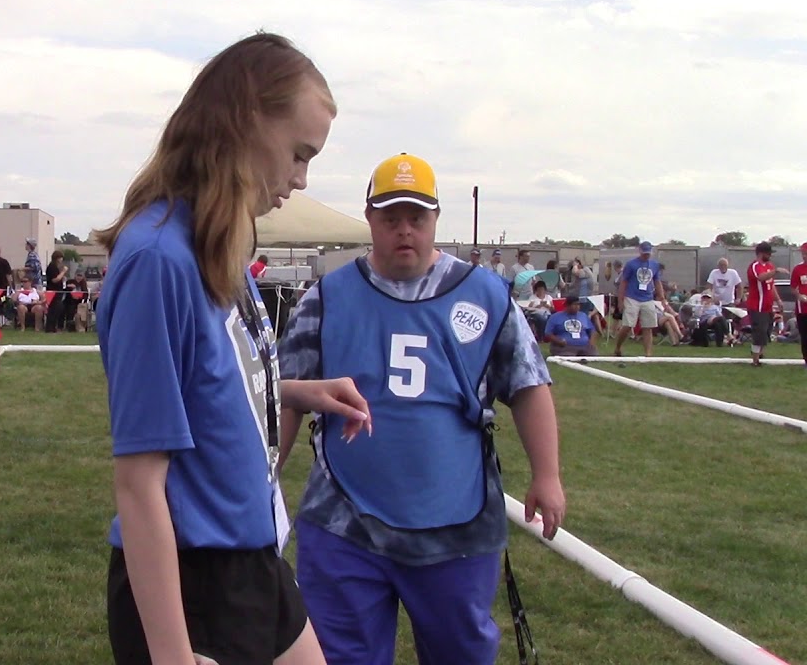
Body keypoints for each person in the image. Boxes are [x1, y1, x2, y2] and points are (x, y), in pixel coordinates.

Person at [93, 33, 372, 665]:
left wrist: (298, 392)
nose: (301, 179)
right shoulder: (159, 260)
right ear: (245, 121)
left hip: (253, 561)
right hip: (195, 586)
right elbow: (140, 484)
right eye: (299, 154)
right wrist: (172, 654)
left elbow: (206, 383)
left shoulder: (216, 243)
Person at [278, 152, 564, 665]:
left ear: (435, 220)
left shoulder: (486, 296)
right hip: (344, 519)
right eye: (391, 219)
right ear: (370, 220)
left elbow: (528, 384)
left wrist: (548, 475)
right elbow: (284, 391)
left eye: (416, 218)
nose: (404, 231)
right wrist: (269, 474)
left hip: (455, 522)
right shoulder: (327, 297)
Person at [613, 242, 664, 357]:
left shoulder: (654, 265)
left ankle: (648, 353)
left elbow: (657, 281)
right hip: (632, 297)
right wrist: (621, 300)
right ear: (640, 251)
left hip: (648, 298)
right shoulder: (631, 264)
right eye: (644, 253)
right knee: (627, 325)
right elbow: (624, 282)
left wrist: (661, 295)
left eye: (648, 253)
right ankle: (618, 347)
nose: (646, 255)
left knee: (648, 327)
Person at [746, 242, 790, 367]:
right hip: (757, 305)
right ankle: (755, 360)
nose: (770, 256)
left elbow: (771, 285)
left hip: (767, 305)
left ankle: (760, 353)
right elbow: (761, 278)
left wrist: (778, 300)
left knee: (766, 331)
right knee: (759, 331)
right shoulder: (755, 266)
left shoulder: (769, 265)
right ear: (761, 253)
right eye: (768, 253)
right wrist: (775, 271)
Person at [792, 244, 807, 368]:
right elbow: (793, 287)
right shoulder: (798, 269)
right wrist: (799, 296)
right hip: (803, 309)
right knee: (805, 335)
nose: (805, 256)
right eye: (803, 254)